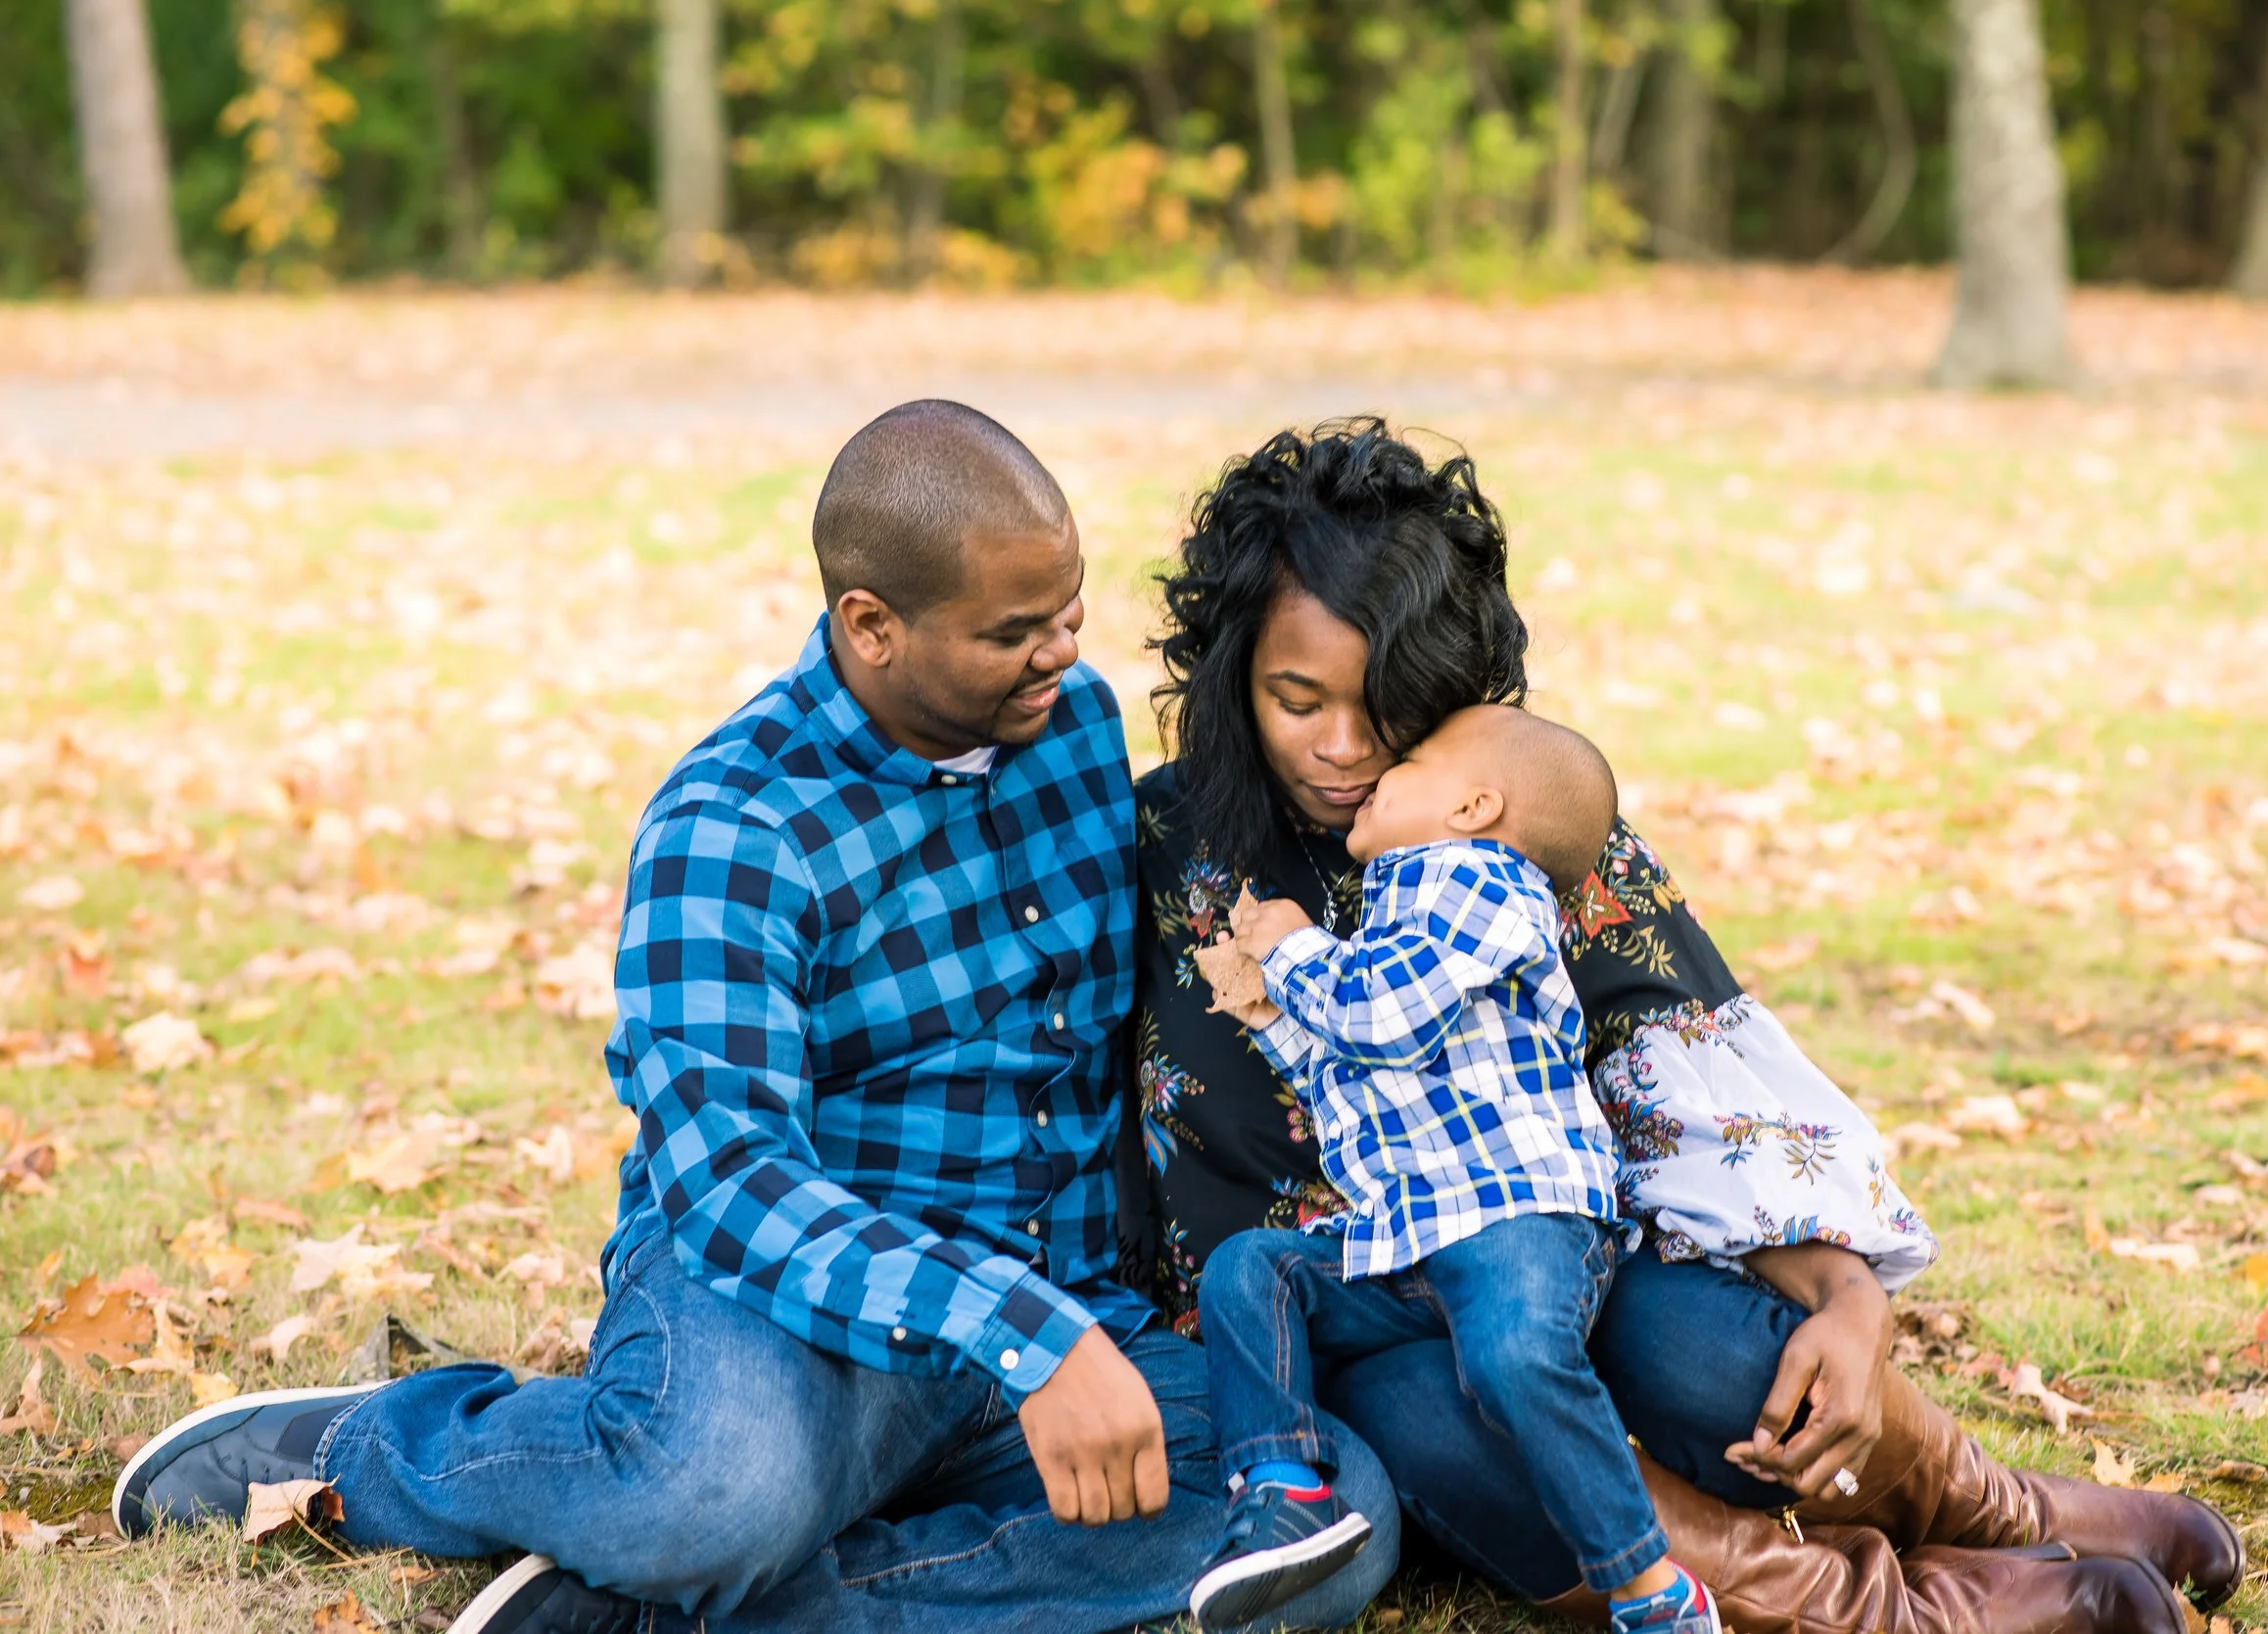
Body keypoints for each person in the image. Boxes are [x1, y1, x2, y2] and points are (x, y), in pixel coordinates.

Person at [110, 400, 1397, 1634]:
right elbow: (731, 1184)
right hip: (790, 1302)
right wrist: (1022, 1338)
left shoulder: (1074, 733)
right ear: (872, 625)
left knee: (1318, 1510)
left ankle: (718, 1609)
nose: (1060, 653)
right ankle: (378, 1450)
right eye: (1014, 631)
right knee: (708, 1495)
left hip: (1050, 1306)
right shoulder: (732, 828)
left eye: (1069, 612)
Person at [1119, 417, 2245, 1634]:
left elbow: (1681, 1066)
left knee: (1700, 1351)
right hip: (1340, 1328)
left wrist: (1849, 1299)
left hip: (1555, 1252)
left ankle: (1997, 1514)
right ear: (1233, 672)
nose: (1342, 748)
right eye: (1297, 699)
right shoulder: (1155, 852)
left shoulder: (1497, 826)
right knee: (1442, 1415)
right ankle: (1901, 1609)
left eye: (1386, 708)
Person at [1186, 706, 1721, 1634]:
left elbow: (1384, 1017)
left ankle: (1647, 1582)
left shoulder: (1483, 884)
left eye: (1414, 758)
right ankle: (1282, 1488)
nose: (1380, 763)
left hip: (1519, 1212)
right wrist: (1270, 1016)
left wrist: (1293, 946)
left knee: (1515, 1355)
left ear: (1475, 805)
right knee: (1249, 1268)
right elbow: (1353, 1074)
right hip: (1414, 1238)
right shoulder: (1398, 912)